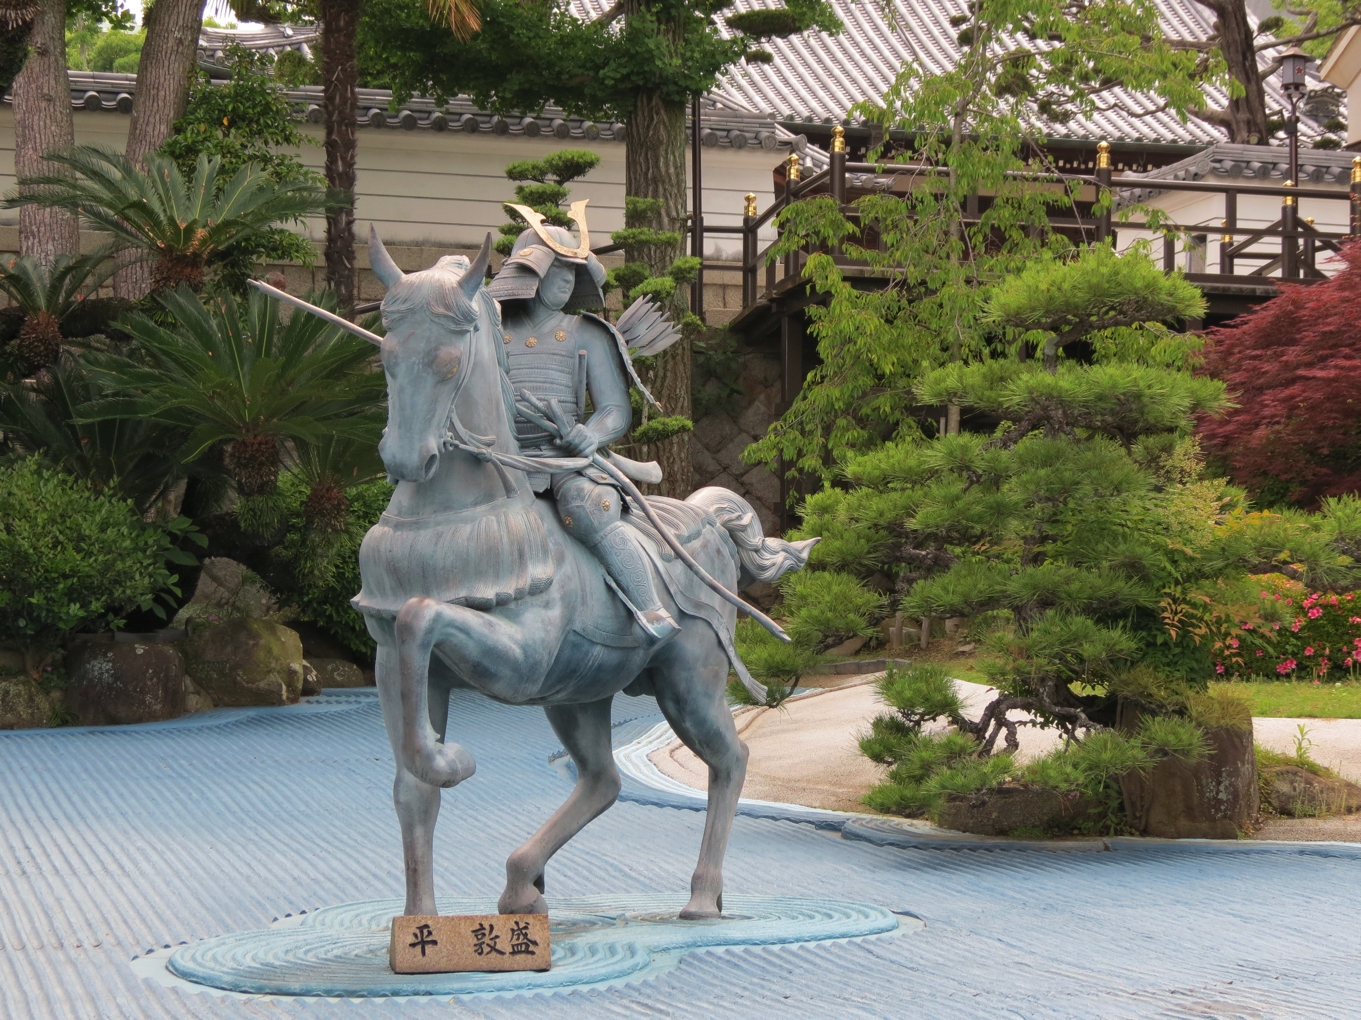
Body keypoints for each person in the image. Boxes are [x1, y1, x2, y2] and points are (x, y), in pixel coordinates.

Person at [488, 215, 680, 641]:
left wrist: (590, 434)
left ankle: (649, 606)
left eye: (573, 272)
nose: (566, 281)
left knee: (589, 509)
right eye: (556, 269)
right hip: (500, 456)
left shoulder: (587, 332)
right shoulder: (491, 331)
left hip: (566, 460)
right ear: (528, 272)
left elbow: (614, 408)